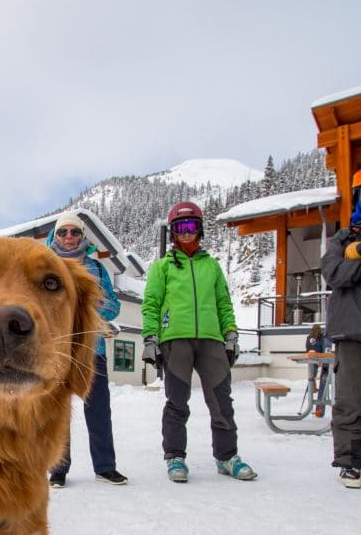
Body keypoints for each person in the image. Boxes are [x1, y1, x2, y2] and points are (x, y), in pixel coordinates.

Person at [141, 201, 257, 483]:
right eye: (180, 228)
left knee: (221, 402)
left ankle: (227, 457)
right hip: (175, 340)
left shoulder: (212, 267)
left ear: (200, 229)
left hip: (211, 340)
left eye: (191, 226)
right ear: (172, 233)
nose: (186, 233)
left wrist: (230, 334)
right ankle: (175, 457)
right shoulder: (162, 267)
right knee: (177, 402)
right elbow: (151, 304)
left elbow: (223, 303)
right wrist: (150, 338)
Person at [47, 212, 128, 487]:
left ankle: (105, 467)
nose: (69, 237)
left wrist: (84, 307)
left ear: (83, 236)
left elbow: (113, 305)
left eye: (75, 232)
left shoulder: (96, 268)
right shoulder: (46, 265)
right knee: (56, 412)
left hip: (93, 350)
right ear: (55, 236)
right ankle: (58, 469)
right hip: (55, 351)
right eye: (63, 232)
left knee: (99, 410)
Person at [320, 163, 361, 489]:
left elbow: (347, 271)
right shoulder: (343, 238)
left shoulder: (350, 247)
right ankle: (350, 463)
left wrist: (358, 258)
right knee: (349, 401)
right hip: (350, 330)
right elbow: (334, 274)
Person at [305, 323, 331, 418]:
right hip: (322, 360)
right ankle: (319, 410)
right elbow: (326, 350)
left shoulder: (309, 338)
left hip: (311, 360)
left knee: (312, 377)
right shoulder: (323, 338)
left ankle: (312, 386)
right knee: (323, 380)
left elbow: (307, 348)